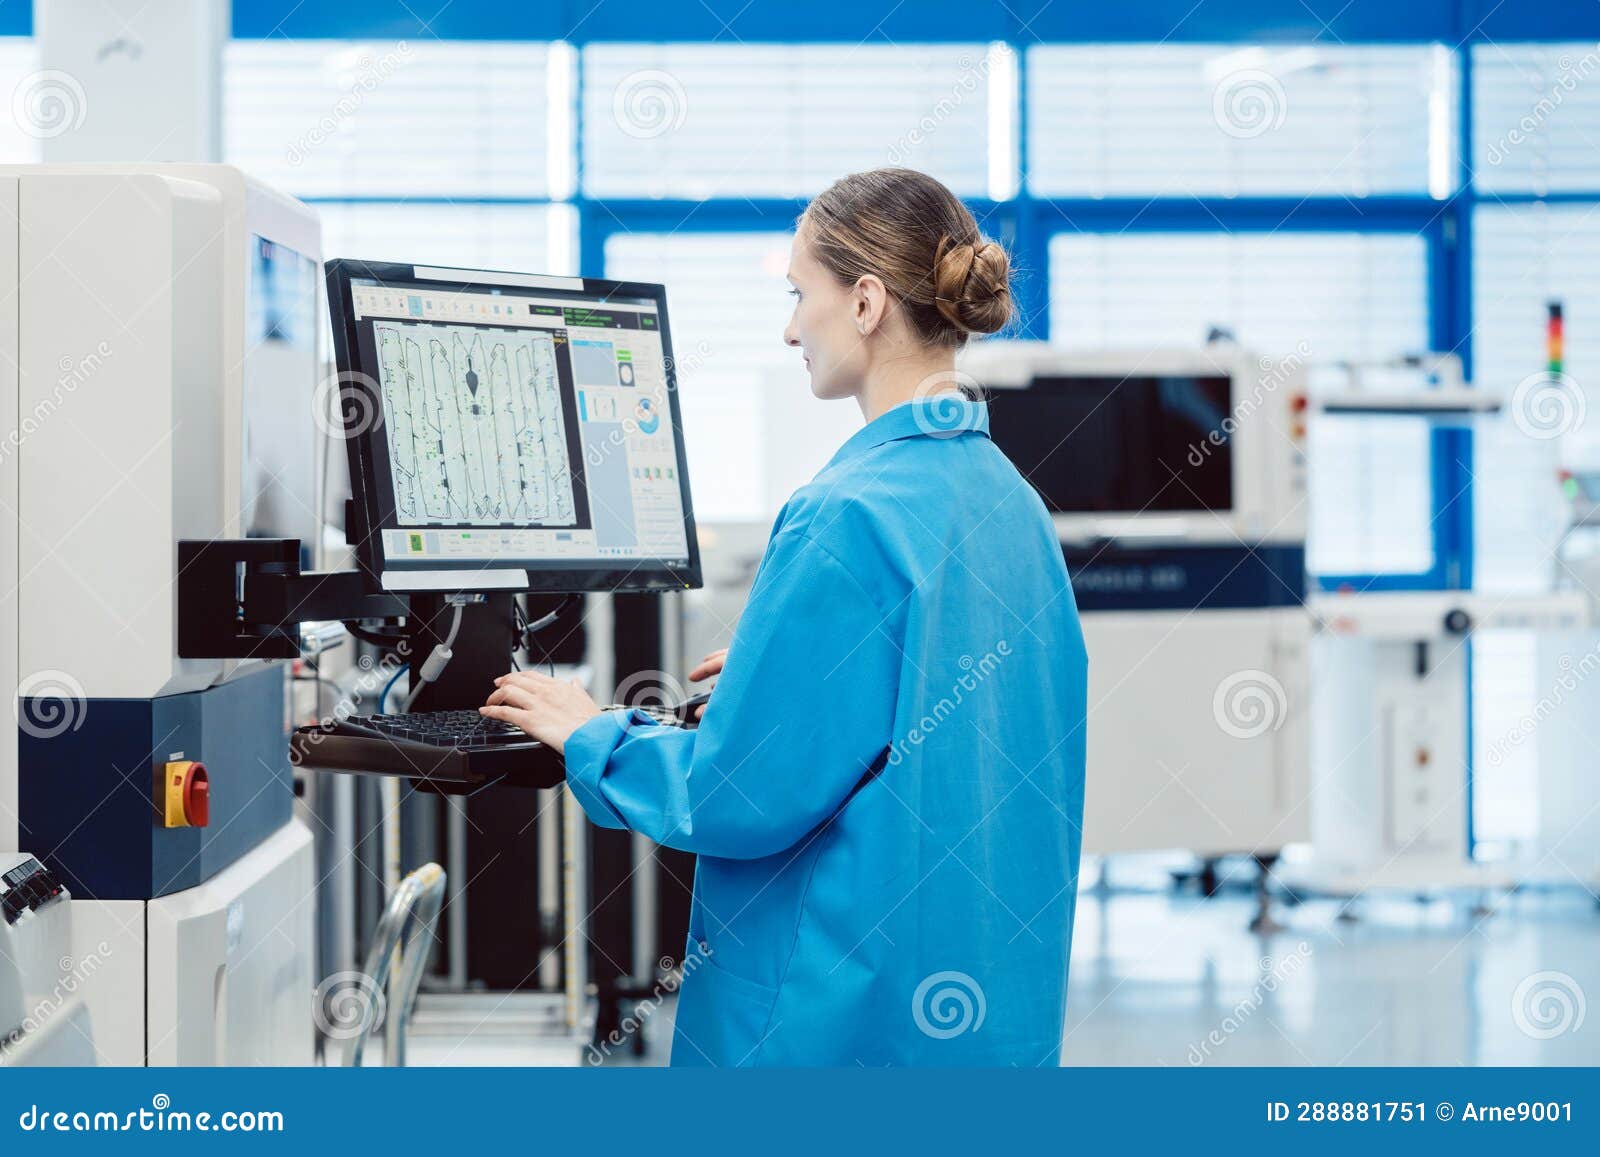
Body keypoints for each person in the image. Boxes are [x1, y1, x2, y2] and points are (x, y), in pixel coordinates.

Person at [481, 167, 1087, 1067]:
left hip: (840, 1030)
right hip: (988, 1023)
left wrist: (594, 734)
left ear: (869, 300)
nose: (791, 326)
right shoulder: (1012, 503)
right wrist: (787, 680)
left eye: (802, 294)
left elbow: (734, 795)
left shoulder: (847, 511)